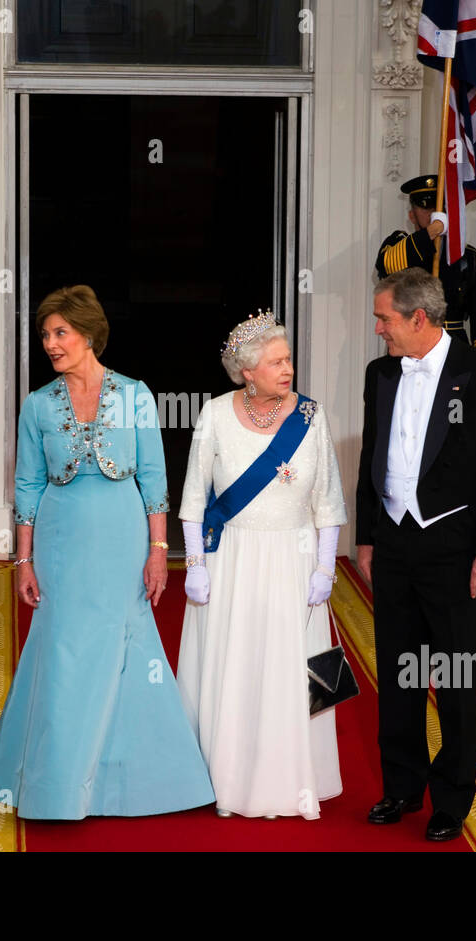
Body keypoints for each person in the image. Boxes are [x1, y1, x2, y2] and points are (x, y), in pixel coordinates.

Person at [0, 285, 213, 819]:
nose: (50, 344)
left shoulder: (136, 395)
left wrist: (159, 550)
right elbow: (28, 486)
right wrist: (23, 559)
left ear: (88, 334)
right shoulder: (37, 405)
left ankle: (132, 783)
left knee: (126, 650)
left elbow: (154, 478)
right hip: (61, 542)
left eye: (59, 333)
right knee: (61, 651)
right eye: (44, 335)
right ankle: (57, 786)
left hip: (121, 538)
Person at [355, 268, 476, 842]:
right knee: (398, 674)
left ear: (418, 318)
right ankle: (401, 787)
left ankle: (451, 799)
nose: (378, 329)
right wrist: (368, 536)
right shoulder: (380, 373)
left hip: (457, 553)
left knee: (457, 678)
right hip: (396, 545)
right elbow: (371, 457)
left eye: (385, 319)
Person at [176, 312, 347, 819]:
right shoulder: (213, 415)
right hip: (232, 559)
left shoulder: (311, 417)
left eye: (288, 358)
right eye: (276, 361)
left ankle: (291, 781)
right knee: (238, 667)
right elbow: (192, 497)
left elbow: (329, 501)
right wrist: (197, 565)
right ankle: (227, 777)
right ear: (247, 371)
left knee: (292, 674)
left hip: (293, 561)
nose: (287, 368)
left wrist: (323, 568)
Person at [376, 174, 476, 350]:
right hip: (407, 345)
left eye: (440, 207)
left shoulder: (467, 255)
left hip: (453, 348)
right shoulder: (398, 244)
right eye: (425, 207)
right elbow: (388, 265)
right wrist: (434, 229)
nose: (434, 212)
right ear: (411, 216)